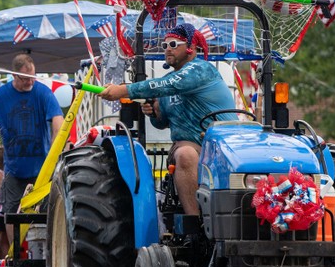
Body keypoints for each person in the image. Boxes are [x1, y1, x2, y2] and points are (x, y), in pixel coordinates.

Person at [99, 23, 236, 215]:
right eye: (165, 45)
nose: (168, 49)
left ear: (191, 47)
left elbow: (167, 84)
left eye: (173, 44)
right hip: (188, 147)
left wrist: (123, 90)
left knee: (189, 154)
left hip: (223, 148)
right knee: (185, 154)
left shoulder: (201, 70)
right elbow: (161, 122)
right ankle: (193, 223)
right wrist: (154, 113)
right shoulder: (169, 82)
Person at [0, 53, 64, 228]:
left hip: (42, 172)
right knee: (11, 217)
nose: (30, 82)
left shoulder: (43, 92)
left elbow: (58, 121)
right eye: (25, 78)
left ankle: (41, 247)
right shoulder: (0, 96)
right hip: (13, 172)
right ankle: (13, 248)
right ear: (14, 75)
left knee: (45, 217)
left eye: (33, 77)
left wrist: (55, 149)